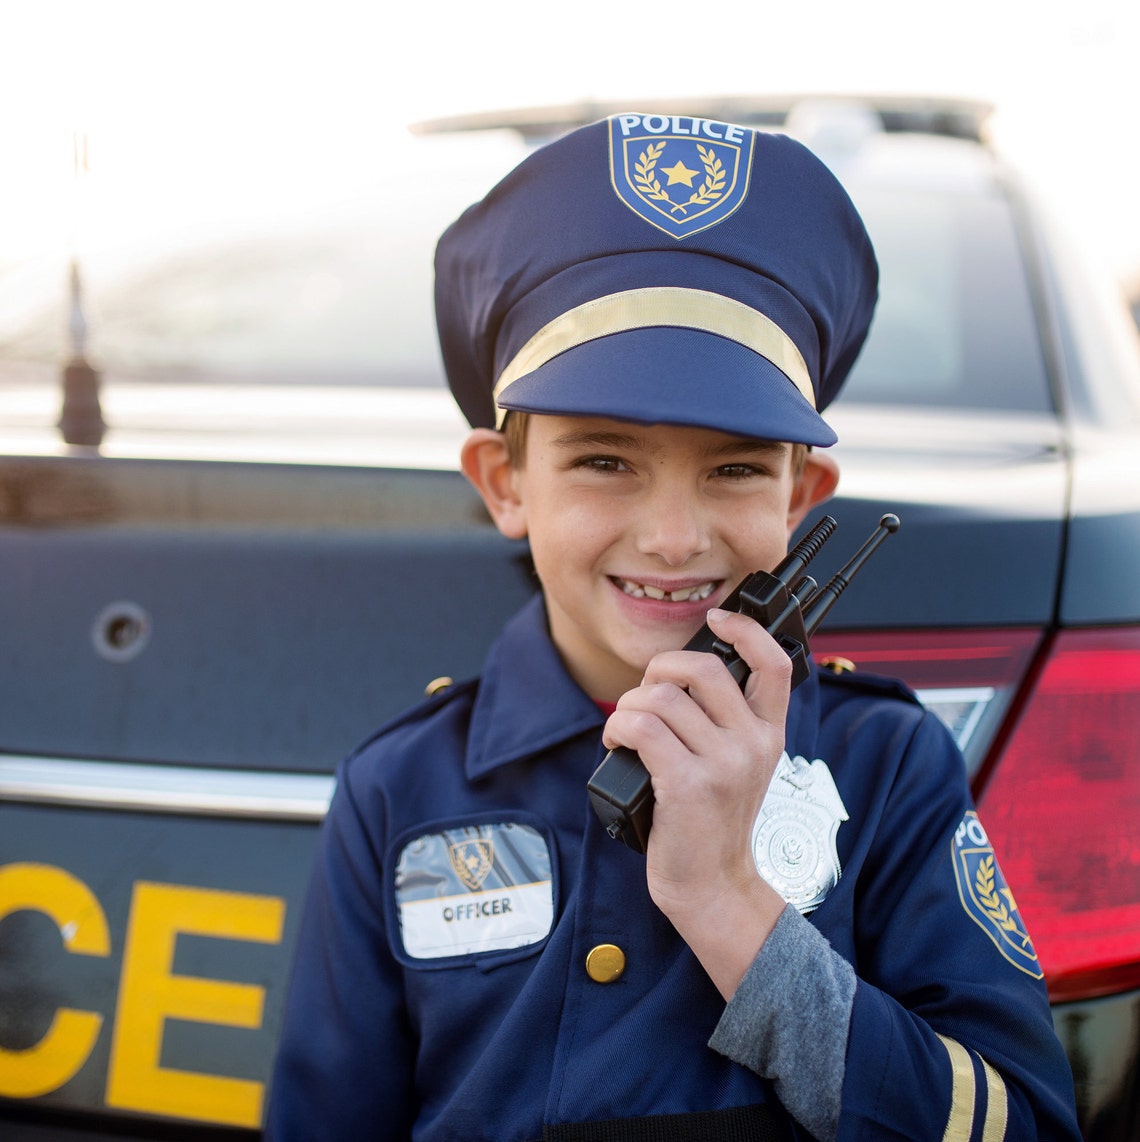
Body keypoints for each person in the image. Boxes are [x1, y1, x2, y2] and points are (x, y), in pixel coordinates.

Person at [266, 113, 1080, 1141]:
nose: (670, 534)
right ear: (504, 482)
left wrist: (736, 906)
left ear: (801, 495)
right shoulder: (400, 788)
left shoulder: (886, 765)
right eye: (605, 459)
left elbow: (1030, 1124)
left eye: (736, 466)